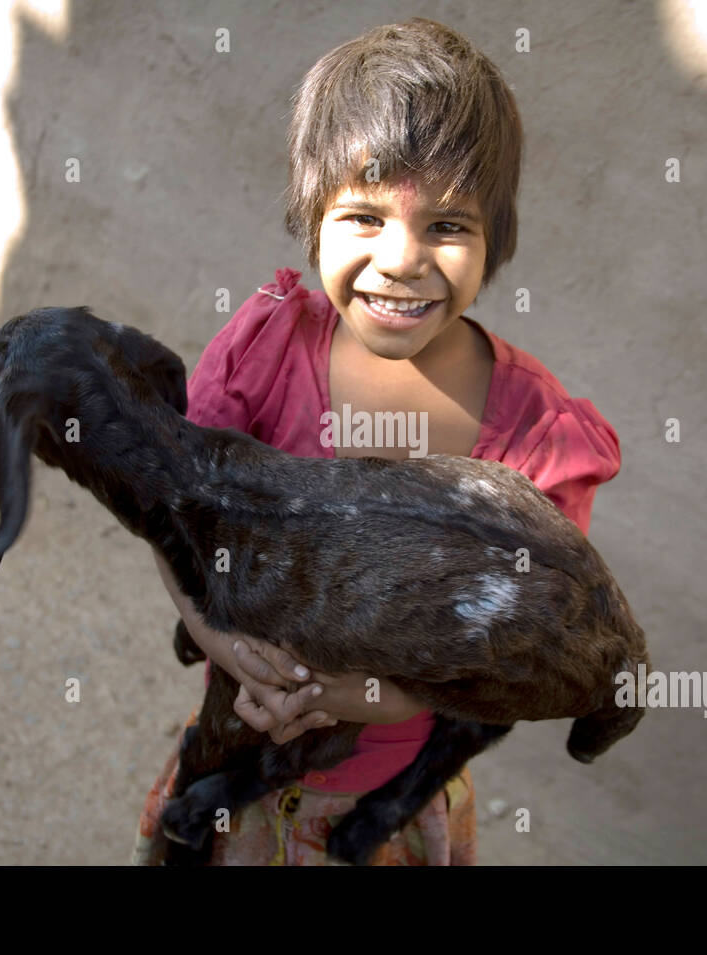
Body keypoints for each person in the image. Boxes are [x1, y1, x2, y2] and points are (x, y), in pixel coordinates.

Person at [132, 17, 621, 866]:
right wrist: (218, 642)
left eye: (447, 225)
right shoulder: (266, 349)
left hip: (385, 812)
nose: (401, 259)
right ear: (310, 214)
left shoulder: (538, 440)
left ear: (496, 235)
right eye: (363, 215)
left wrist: (329, 695)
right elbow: (179, 518)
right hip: (232, 761)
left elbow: (499, 655)